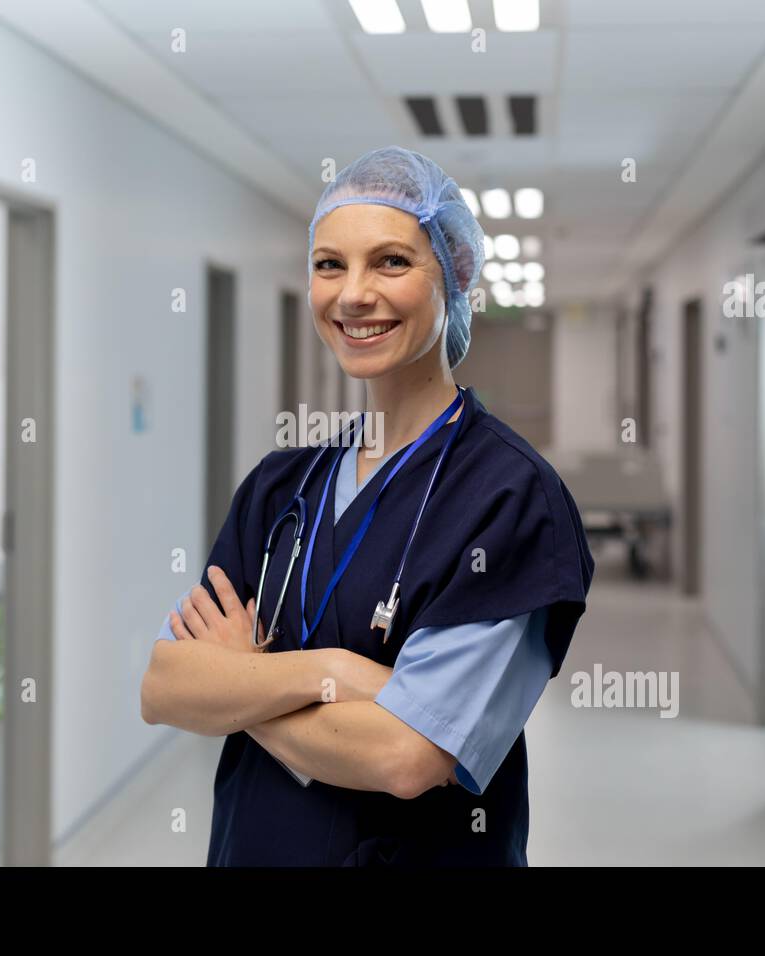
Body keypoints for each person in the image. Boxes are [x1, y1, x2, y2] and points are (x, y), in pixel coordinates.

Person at [140, 145, 594, 866]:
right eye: (329, 264)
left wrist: (242, 682)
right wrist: (340, 675)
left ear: (457, 275)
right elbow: (166, 687)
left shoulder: (510, 501)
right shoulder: (281, 487)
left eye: (390, 262)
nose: (353, 294)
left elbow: (407, 758)